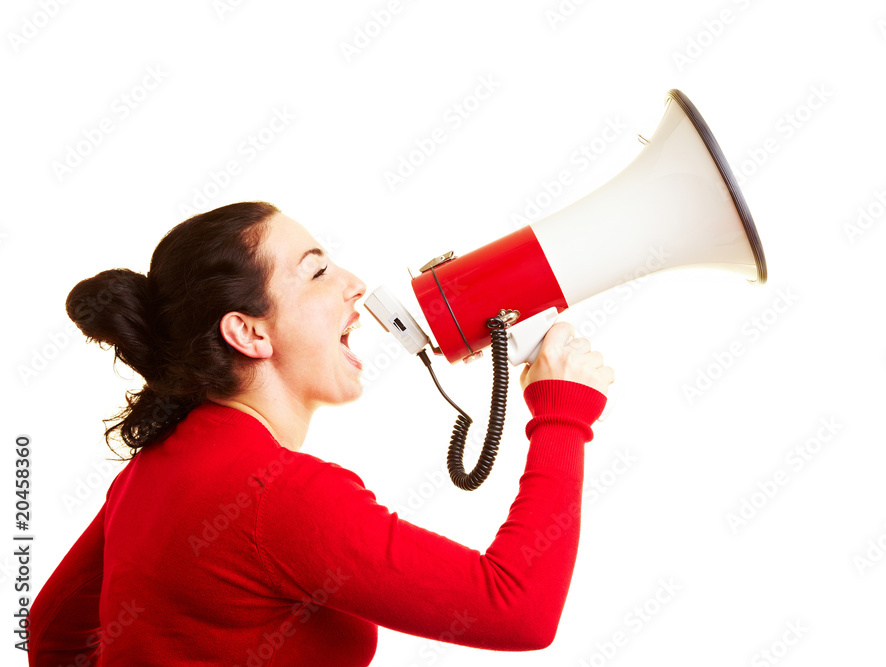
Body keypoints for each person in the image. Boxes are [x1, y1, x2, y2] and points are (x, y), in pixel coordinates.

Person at [27, 201, 614, 666]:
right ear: (249, 333)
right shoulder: (280, 496)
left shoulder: (153, 468)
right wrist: (562, 413)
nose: (355, 284)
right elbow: (518, 609)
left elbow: (54, 632)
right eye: (318, 271)